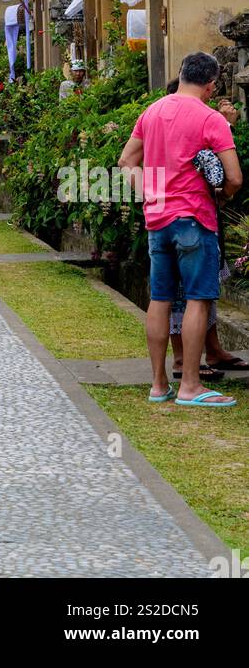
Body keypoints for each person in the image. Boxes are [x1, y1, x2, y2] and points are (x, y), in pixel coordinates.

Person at [118, 51, 243, 407]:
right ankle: (190, 385)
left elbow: (127, 161)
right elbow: (234, 177)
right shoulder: (211, 118)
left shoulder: (152, 111)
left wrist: (150, 194)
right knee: (198, 299)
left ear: (181, 74)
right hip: (194, 218)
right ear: (211, 84)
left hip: (157, 219)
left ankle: (159, 385)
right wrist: (222, 195)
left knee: (159, 300)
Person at [160, 79, 249, 382]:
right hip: (184, 216)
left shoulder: (196, 121)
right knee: (184, 294)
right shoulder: (170, 124)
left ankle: (211, 350)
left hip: (192, 214)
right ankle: (184, 359)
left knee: (203, 290)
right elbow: (231, 177)